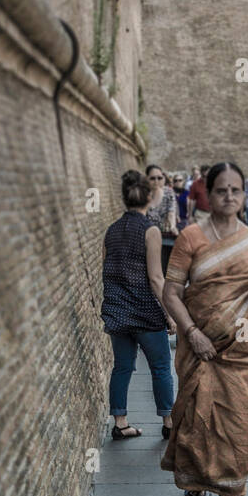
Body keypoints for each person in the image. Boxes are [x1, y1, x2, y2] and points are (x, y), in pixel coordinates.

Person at [161, 161, 248, 496]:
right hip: (201, 345)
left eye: (235, 190)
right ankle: (196, 477)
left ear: (245, 196)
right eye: (221, 190)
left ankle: (227, 495)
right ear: (208, 195)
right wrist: (193, 333)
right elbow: (171, 292)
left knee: (239, 417)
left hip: (244, 350)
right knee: (198, 416)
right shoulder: (191, 237)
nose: (229, 196)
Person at [100, 169, 175, 441]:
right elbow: (156, 278)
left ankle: (120, 423)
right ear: (148, 198)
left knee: (122, 367)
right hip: (145, 312)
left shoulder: (111, 231)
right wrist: (171, 314)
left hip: (118, 313)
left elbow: (107, 272)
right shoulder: (150, 230)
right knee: (161, 367)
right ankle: (168, 421)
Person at [145, 163, 179, 274]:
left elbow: (171, 211)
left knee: (164, 270)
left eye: (159, 178)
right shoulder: (143, 194)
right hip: (147, 237)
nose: (156, 181)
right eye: (152, 178)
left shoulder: (169, 192)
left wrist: (172, 226)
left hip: (164, 236)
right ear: (147, 179)